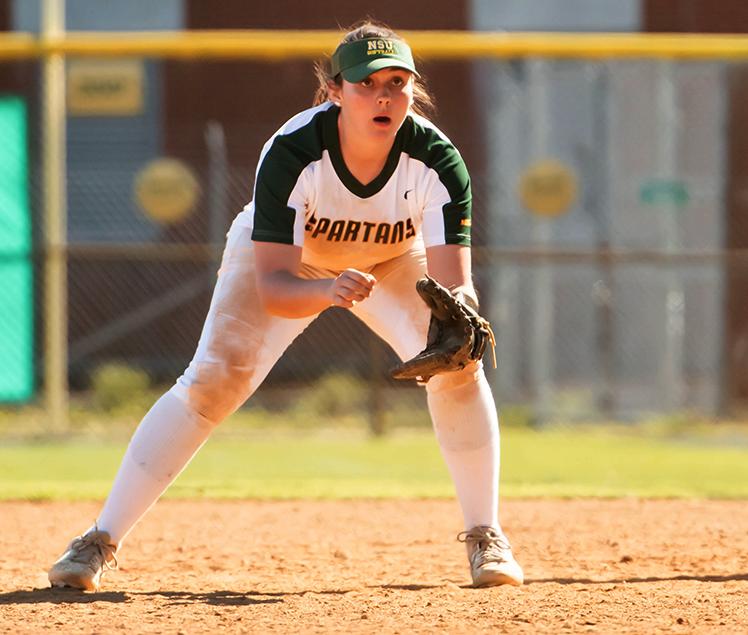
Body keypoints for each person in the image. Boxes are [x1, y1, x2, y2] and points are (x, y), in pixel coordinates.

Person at [47, 21, 525, 591]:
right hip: (293, 261)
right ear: (335, 92)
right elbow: (276, 286)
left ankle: (486, 535)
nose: (383, 96)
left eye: (397, 83)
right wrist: (327, 289)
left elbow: (454, 286)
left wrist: (460, 316)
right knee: (213, 380)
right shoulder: (294, 151)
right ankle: (98, 541)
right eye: (367, 83)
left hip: (393, 259)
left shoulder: (437, 160)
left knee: (458, 365)